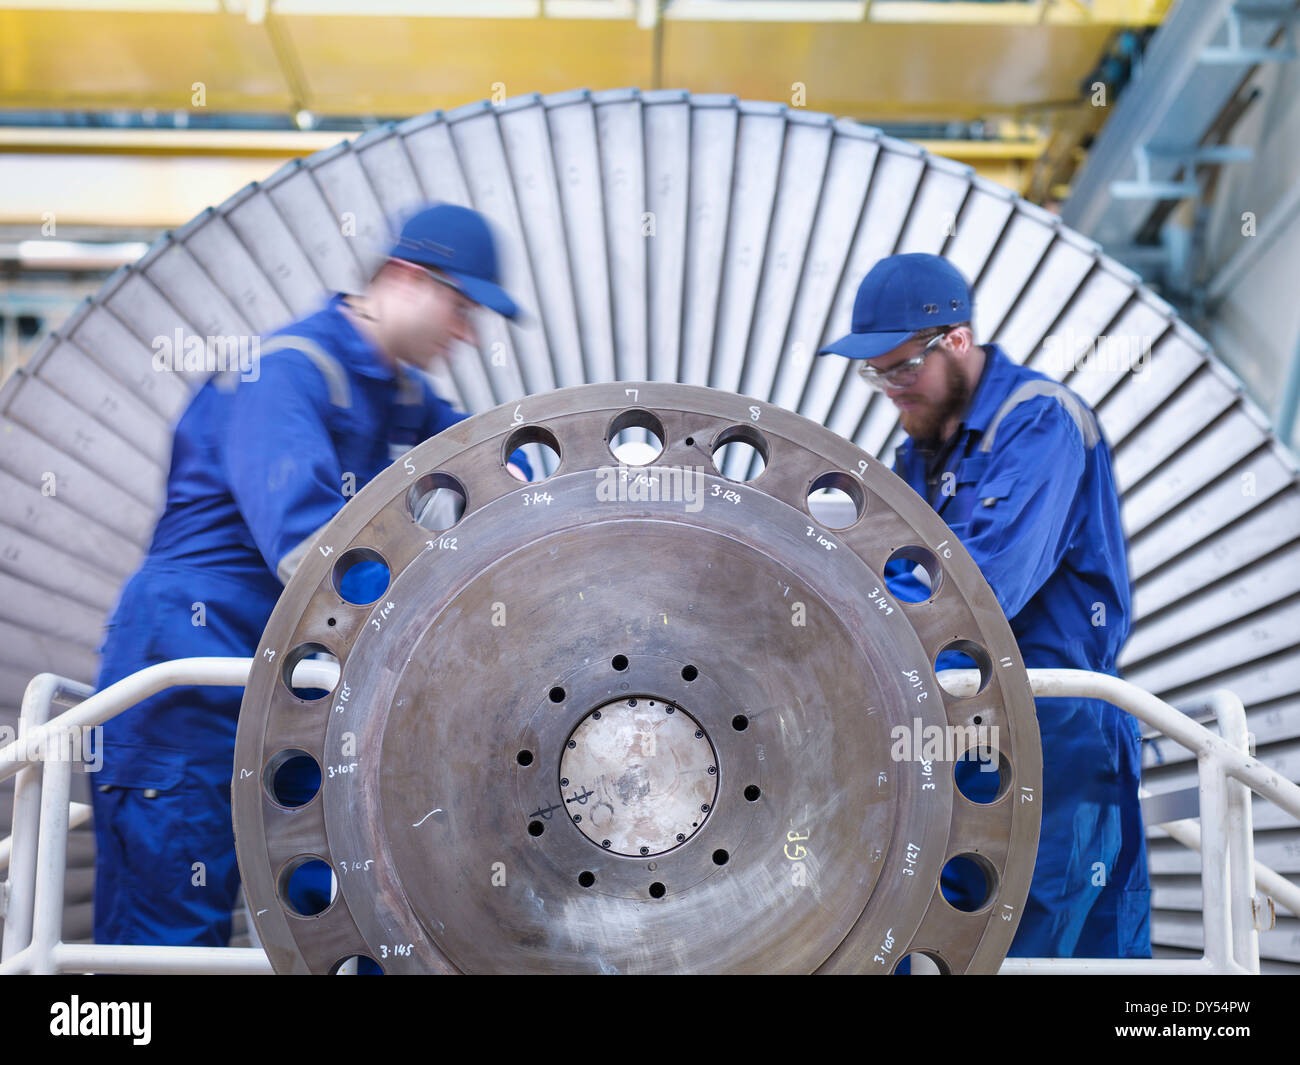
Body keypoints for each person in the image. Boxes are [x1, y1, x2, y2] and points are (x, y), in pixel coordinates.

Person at [92, 203, 532, 947]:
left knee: (325, 924)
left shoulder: (396, 394)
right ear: (404, 278)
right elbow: (310, 553)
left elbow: (483, 460)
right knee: (166, 940)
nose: (466, 334)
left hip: (286, 702)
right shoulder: (289, 372)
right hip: (188, 693)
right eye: (460, 308)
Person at [817, 253, 1151, 959]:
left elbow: (980, 588)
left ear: (959, 340)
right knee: (949, 943)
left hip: (1052, 731)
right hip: (960, 732)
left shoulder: (1038, 424)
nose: (890, 391)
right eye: (874, 373)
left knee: (1047, 945)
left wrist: (828, 601)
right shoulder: (923, 453)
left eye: (902, 367)